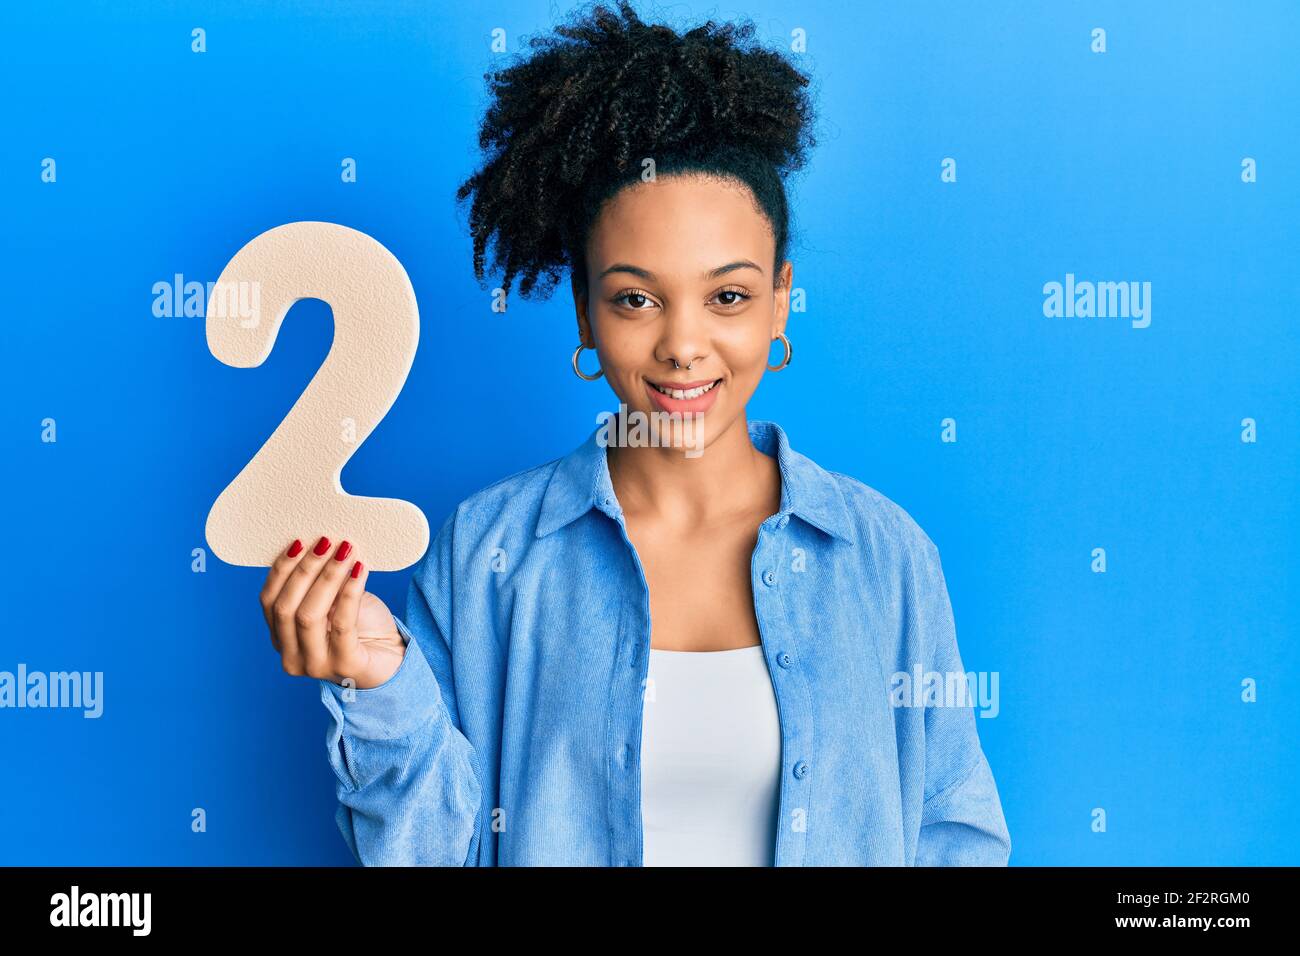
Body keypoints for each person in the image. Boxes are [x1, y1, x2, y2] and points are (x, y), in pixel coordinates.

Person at [258, 0, 1011, 866]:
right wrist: (382, 683)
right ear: (584, 308)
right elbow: (436, 855)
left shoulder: (884, 556)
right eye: (635, 297)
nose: (683, 345)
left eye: (727, 296)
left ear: (780, 299)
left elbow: (955, 838)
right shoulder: (486, 555)